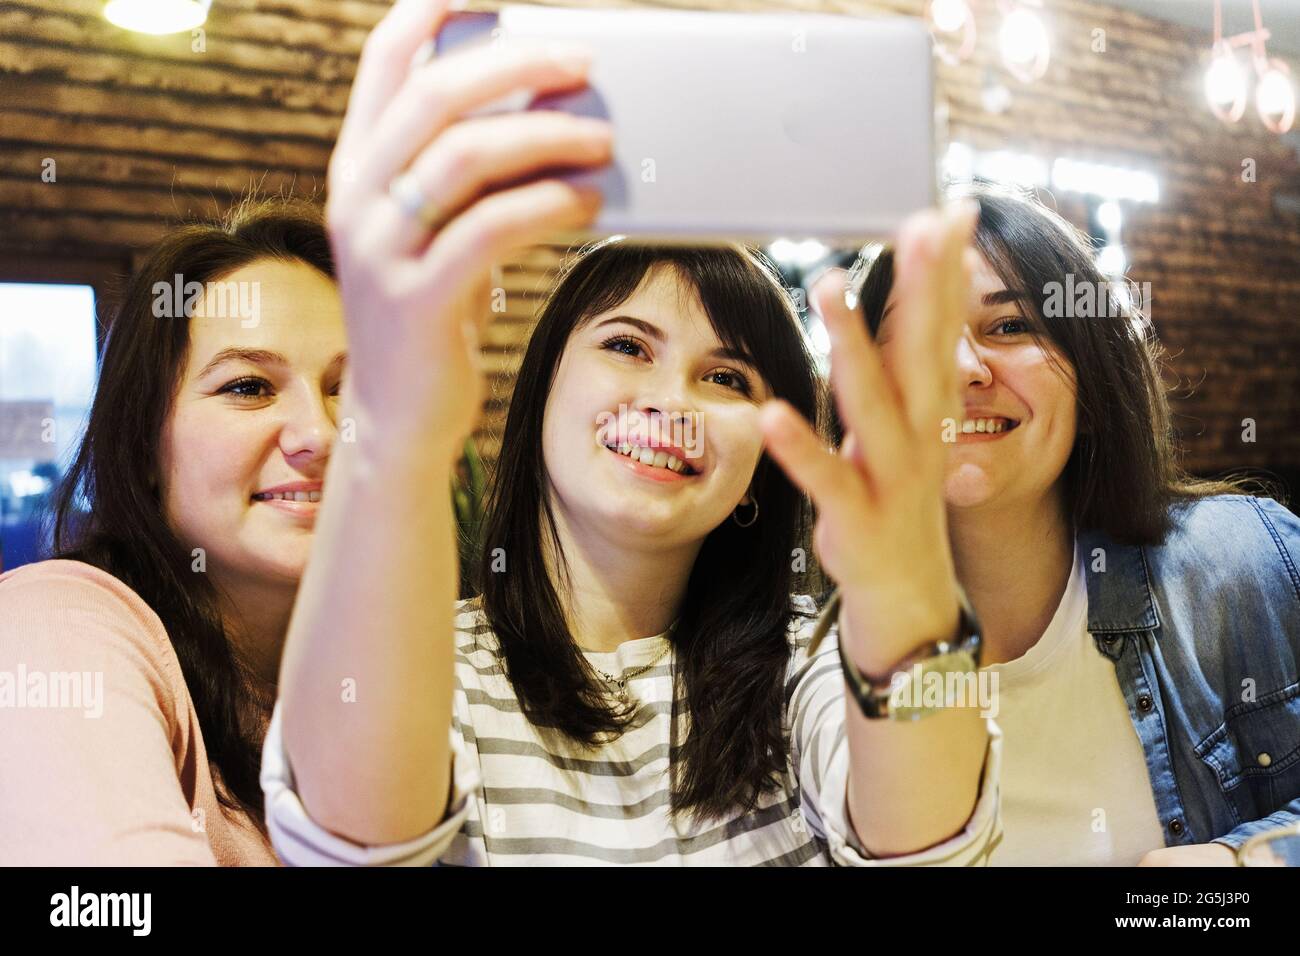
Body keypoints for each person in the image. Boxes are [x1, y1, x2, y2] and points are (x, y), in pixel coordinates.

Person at [262, 0, 1001, 866]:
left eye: (726, 378)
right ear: (541, 389)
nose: (670, 400)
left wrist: (910, 595)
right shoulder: (433, 654)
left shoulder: (811, 657)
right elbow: (350, 841)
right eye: (626, 346)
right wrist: (391, 423)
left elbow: (933, 843)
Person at [851, 186, 1300, 866]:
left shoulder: (1237, 567)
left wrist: (1248, 863)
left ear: (1091, 385)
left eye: (1009, 327)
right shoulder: (819, 654)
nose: (962, 369)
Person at [0, 198, 344, 865]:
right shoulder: (56, 625)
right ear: (144, 446)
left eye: (351, 388)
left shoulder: (394, 664)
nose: (321, 433)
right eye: (248, 386)